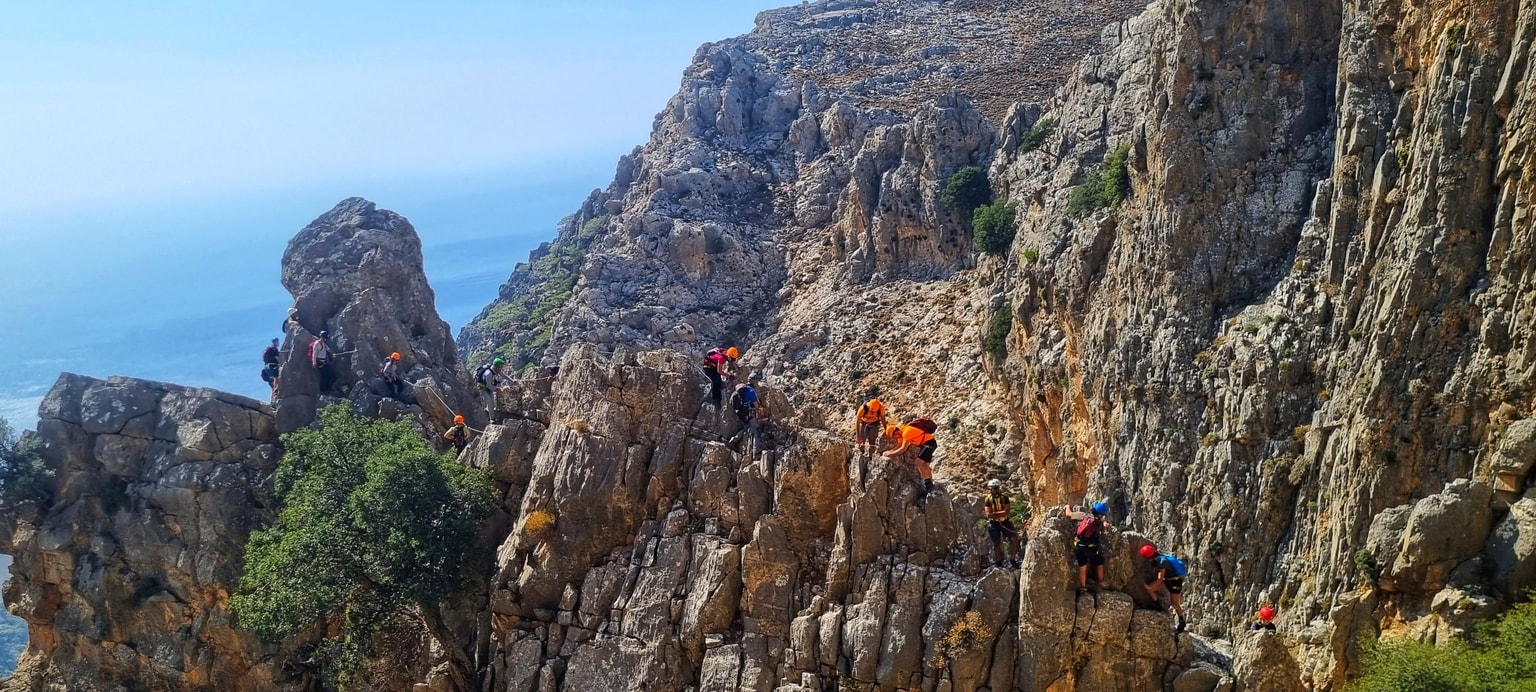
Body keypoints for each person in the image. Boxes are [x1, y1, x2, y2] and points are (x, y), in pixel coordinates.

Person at [883, 417, 938, 501]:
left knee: (919, 463)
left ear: (896, 432)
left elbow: (903, 449)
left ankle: (928, 484)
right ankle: (930, 484)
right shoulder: (902, 433)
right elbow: (899, 446)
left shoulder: (907, 432)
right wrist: (889, 451)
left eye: (894, 436)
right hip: (929, 443)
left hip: (929, 443)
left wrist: (889, 454)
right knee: (925, 464)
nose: (895, 438)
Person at [1141, 544, 1188, 631]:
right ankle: (1157, 605)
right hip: (1168, 580)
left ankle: (1182, 621)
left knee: (1175, 604)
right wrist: (1150, 588)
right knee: (1151, 590)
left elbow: (1160, 579)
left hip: (1175, 582)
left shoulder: (1161, 562)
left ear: (1151, 558)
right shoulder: (1160, 558)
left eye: (1148, 559)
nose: (1148, 561)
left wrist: (1149, 586)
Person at [1073, 502, 1110, 594]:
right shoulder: (1099, 522)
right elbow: (1104, 527)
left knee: (1082, 567)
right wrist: (1105, 525)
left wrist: (1066, 507)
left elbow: (1069, 514)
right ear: (1100, 514)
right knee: (1100, 562)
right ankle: (1101, 582)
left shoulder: (1083, 515)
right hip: (1091, 548)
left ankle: (1083, 587)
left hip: (1079, 546)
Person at [984, 479, 1022, 568]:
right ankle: (999, 562)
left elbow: (1007, 512)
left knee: (1015, 540)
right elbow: (988, 514)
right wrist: (1001, 513)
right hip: (994, 523)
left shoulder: (1004, 498)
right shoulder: (988, 499)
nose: (995, 490)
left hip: (1005, 522)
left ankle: (1012, 559)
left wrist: (995, 513)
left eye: (996, 488)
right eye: (993, 488)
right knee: (997, 543)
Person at [852, 389, 887, 455]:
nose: (872, 412)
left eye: (874, 411)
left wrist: (887, 431)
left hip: (874, 424)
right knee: (861, 442)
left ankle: (871, 457)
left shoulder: (881, 408)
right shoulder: (863, 408)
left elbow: (883, 420)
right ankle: (861, 453)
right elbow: (857, 422)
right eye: (871, 410)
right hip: (864, 423)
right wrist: (858, 436)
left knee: (872, 444)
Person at [729, 378, 760, 444]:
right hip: (748, 413)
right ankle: (756, 448)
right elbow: (756, 406)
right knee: (756, 430)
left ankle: (734, 439)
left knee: (746, 428)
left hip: (740, 413)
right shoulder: (751, 391)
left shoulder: (741, 390)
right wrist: (758, 415)